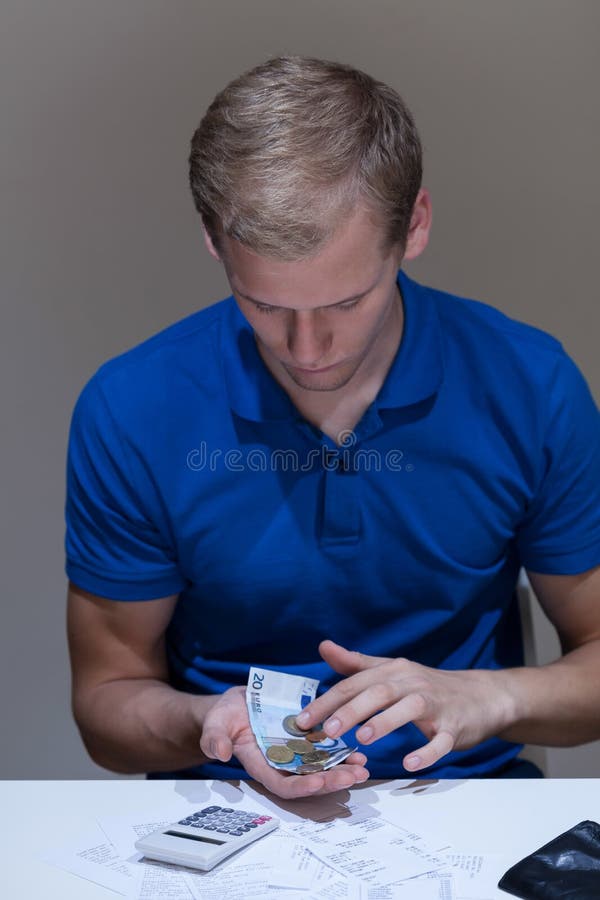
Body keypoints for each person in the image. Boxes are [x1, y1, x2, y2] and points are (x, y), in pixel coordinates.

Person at [65, 56, 600, 799]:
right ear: (215, 244)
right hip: (224, 806)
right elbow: (105, 700)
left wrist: (488, 698)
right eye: (268, 308)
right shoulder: (129, 409)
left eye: (347, 303)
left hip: (463, 799)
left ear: (413, 226)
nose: (307, 351)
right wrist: (207, 723)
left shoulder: (531, 386)